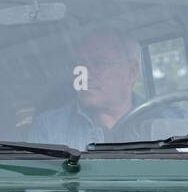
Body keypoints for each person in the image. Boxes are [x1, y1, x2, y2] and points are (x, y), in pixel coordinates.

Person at [29, 26, 171, 149]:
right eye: (79, 64)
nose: (84, 75)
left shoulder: (172, 121)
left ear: (131, 71)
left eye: (99, 63)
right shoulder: (49, 128)